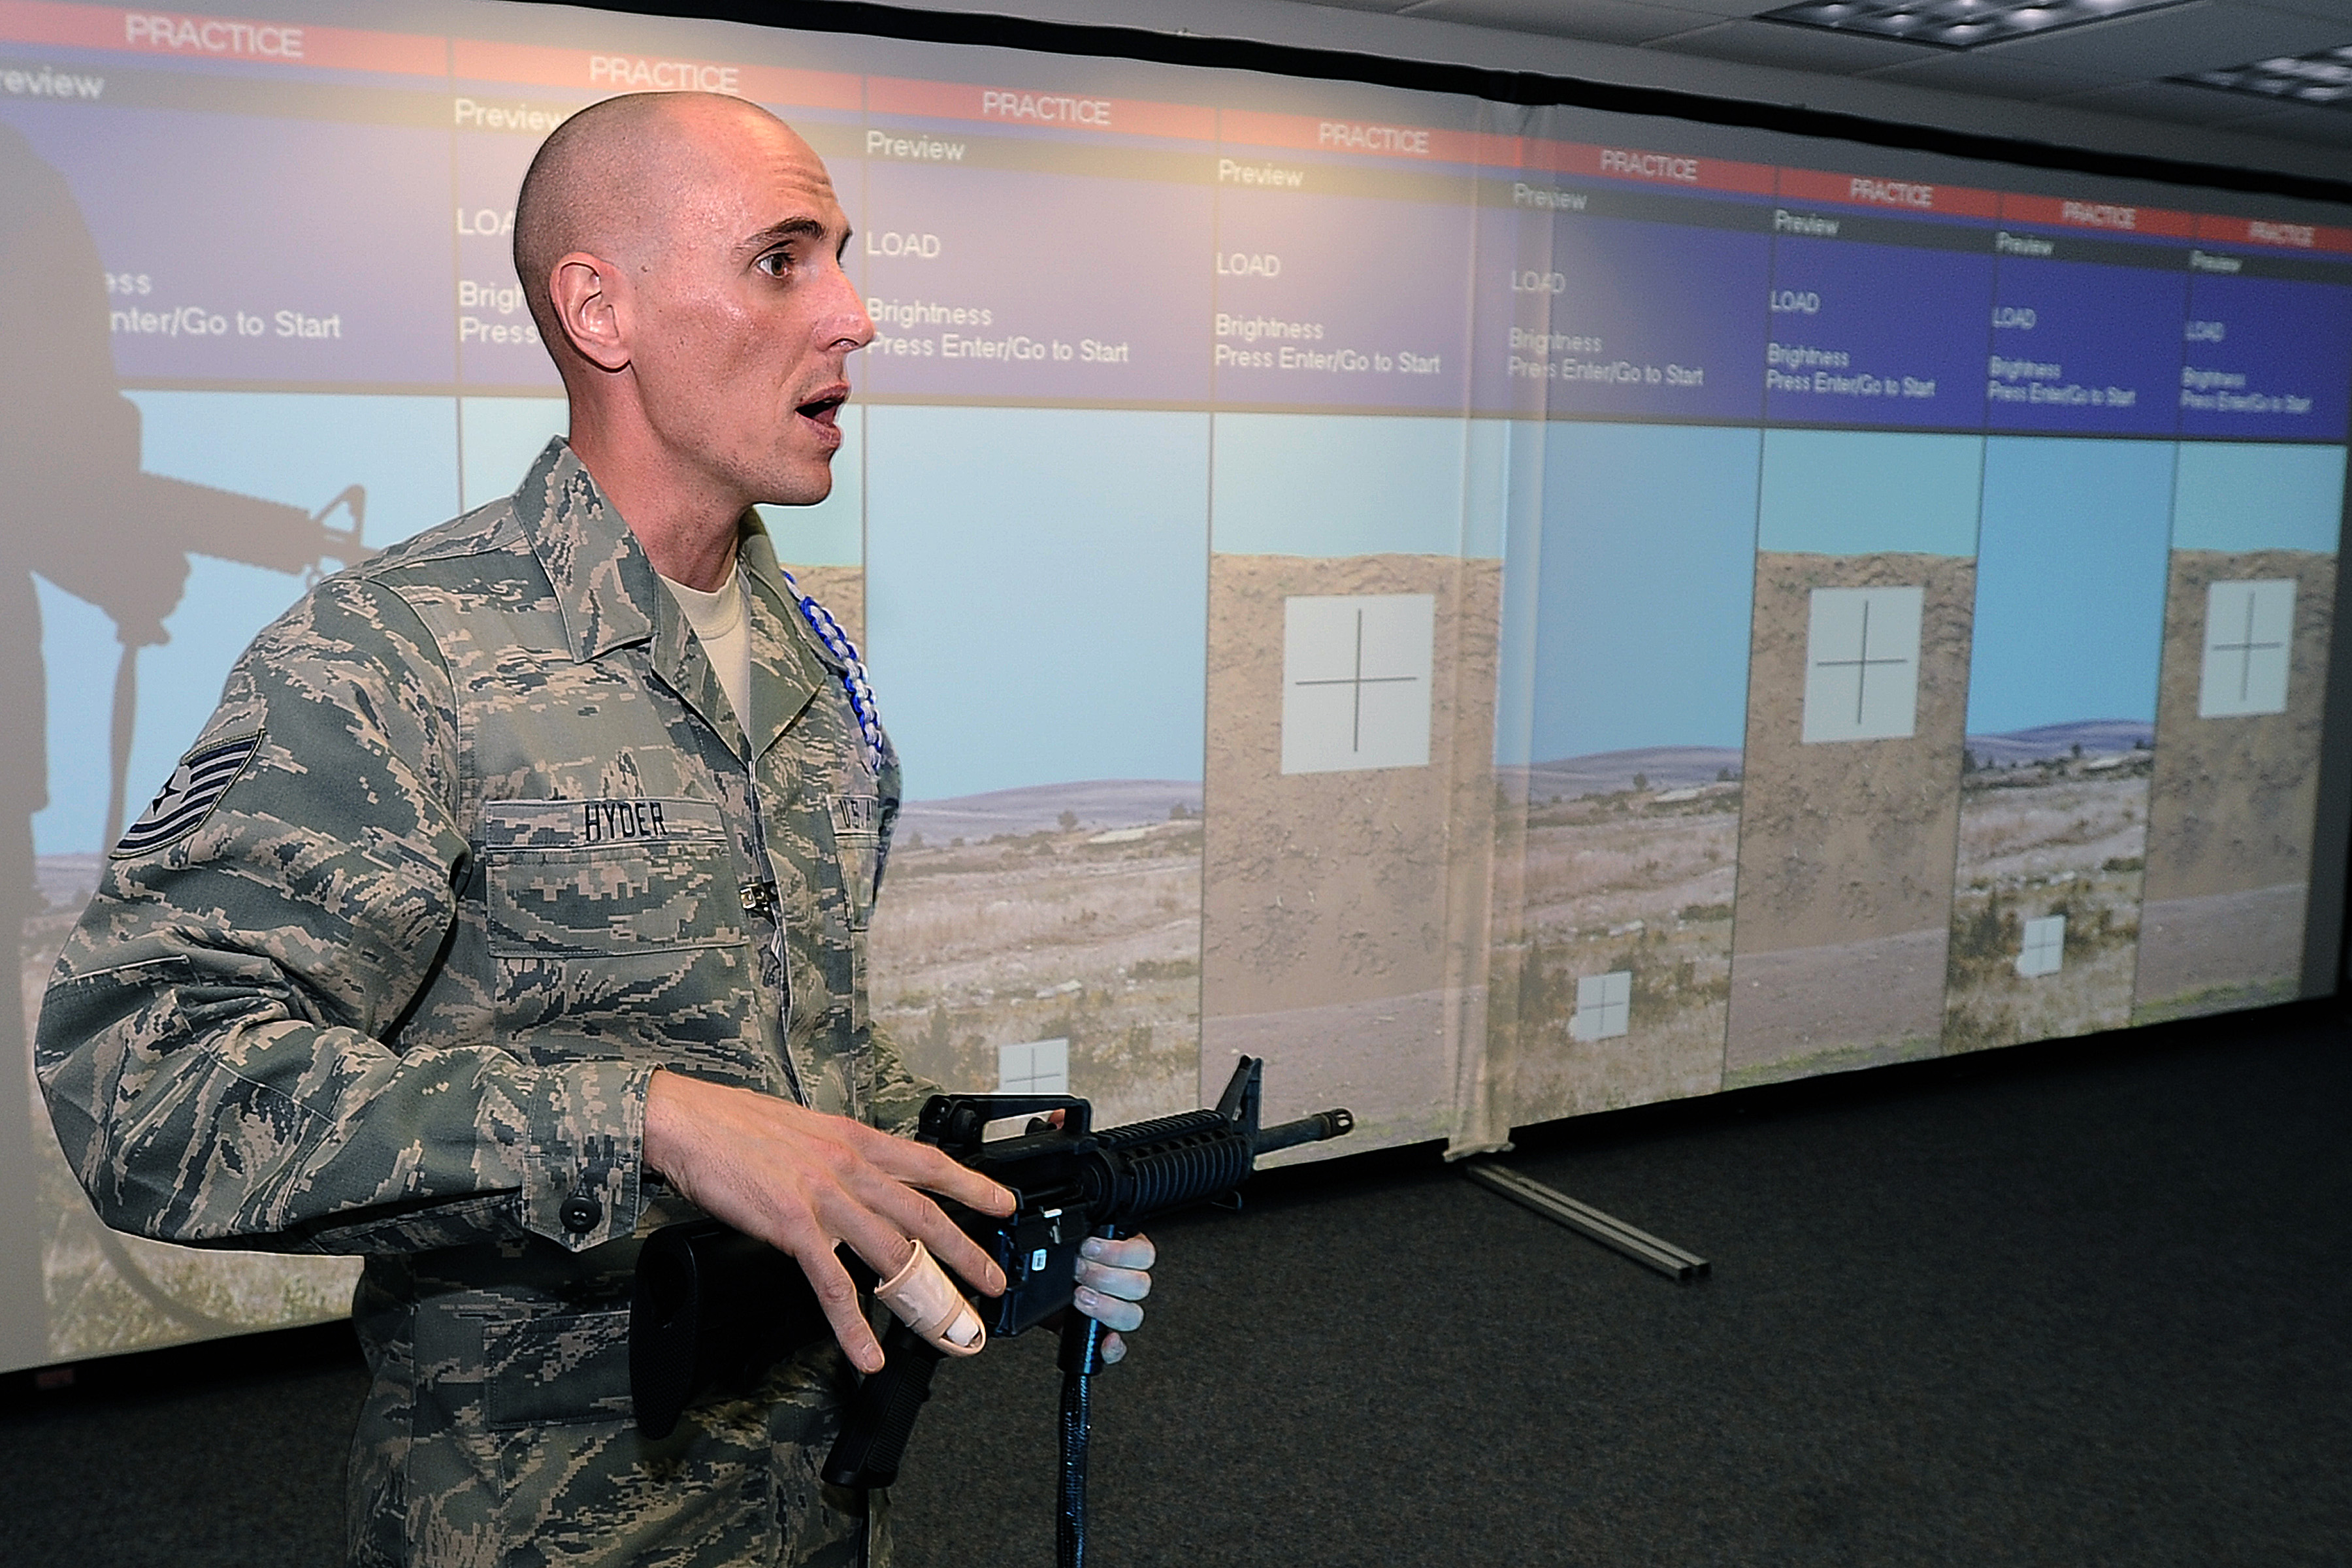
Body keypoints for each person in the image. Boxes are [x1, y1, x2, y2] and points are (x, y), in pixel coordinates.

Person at [35, 90, 1154, 1567]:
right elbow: (140, 1077)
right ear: (598, 310)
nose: (855, 314)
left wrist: (990, 1211)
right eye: (783, 260)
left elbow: (798, 1060)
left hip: (820, 1506)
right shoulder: (393, 659)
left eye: (844, 258)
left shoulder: (809, 666)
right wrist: (643, 1121)